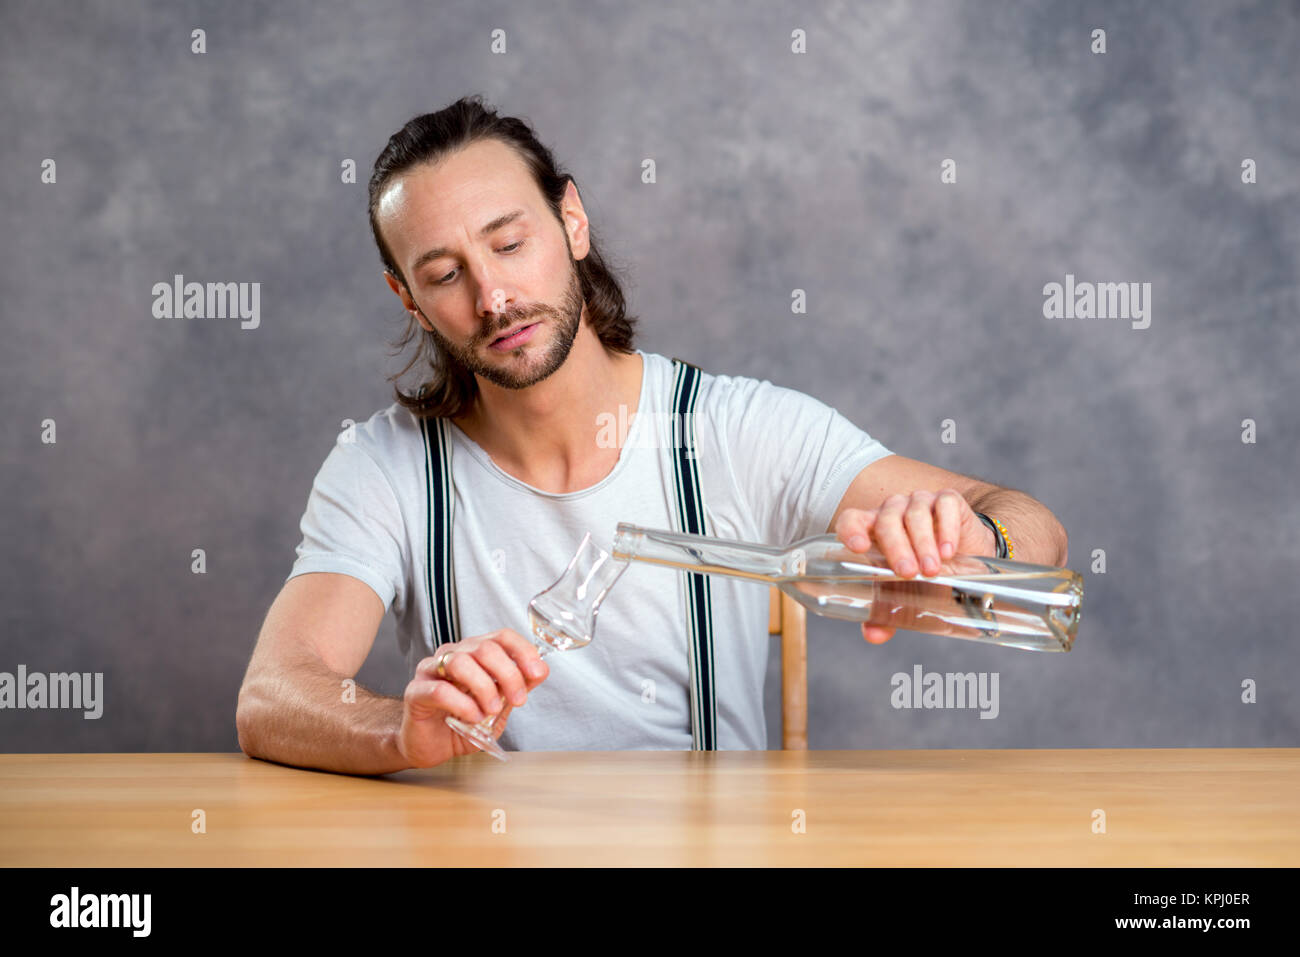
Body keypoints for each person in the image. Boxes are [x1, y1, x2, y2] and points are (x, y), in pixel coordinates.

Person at [235, 96, 1068, 775]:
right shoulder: (384, 468)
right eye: (445, 275)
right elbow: (274, 692)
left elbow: (1037, 541)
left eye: (511, 243)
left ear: (573, 223)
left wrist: (971, 537)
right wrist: (400, 732)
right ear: (407, 299)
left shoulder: (735, 430)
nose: (493, 297)